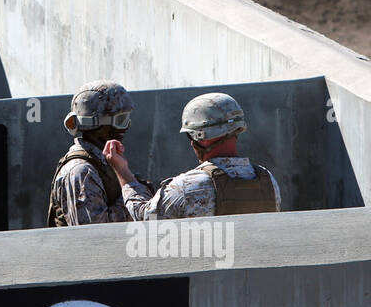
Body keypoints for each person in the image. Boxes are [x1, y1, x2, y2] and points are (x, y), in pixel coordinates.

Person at [106, 92, 281, 220]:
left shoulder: (185, 188)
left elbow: (146, 218)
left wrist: (123, 173)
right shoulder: (267, 180)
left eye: (190, 135)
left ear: (200, 137)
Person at [46, 80, 146, 226]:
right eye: (121, 120)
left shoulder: (104, 160)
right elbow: (93, 234)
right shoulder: (81, 172)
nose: (126, 127)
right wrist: (134, 193)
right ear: (95, 124)